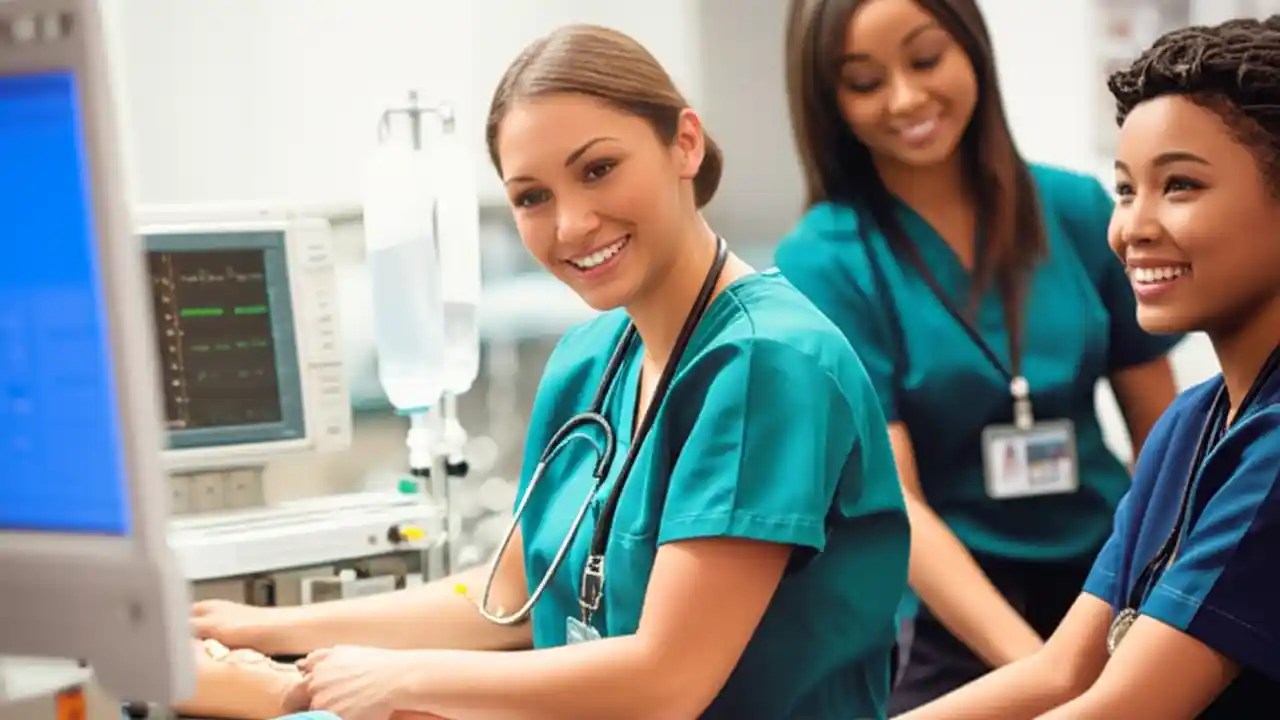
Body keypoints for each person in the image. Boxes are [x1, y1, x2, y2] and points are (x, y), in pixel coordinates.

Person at [185, 23, 911, 720]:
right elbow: (510, 600)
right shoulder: (588, 362)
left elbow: (666, 682)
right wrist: (270, 628)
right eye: (533, 197)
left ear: (684, 143)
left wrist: (385, 680)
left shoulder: (767, 365)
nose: (571, 225)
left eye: (599, 170)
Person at [775, 0, 1182, 712]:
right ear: (828, 99)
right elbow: (899, 502)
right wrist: (1047, 671)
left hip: (1117, 574)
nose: (906, 98)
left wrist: (1163, 594)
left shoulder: (1082, 209)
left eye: (926, 59)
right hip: (947, 613)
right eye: (864, 82)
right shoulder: (822, 260)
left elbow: (1167, 434)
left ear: (971, 49)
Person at [898, 15, 1280, 718]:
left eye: (1181, 186)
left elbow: (1120, 709)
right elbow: (1063, 671)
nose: (1130, 227)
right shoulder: (1189, 426)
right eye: (1127, 189)